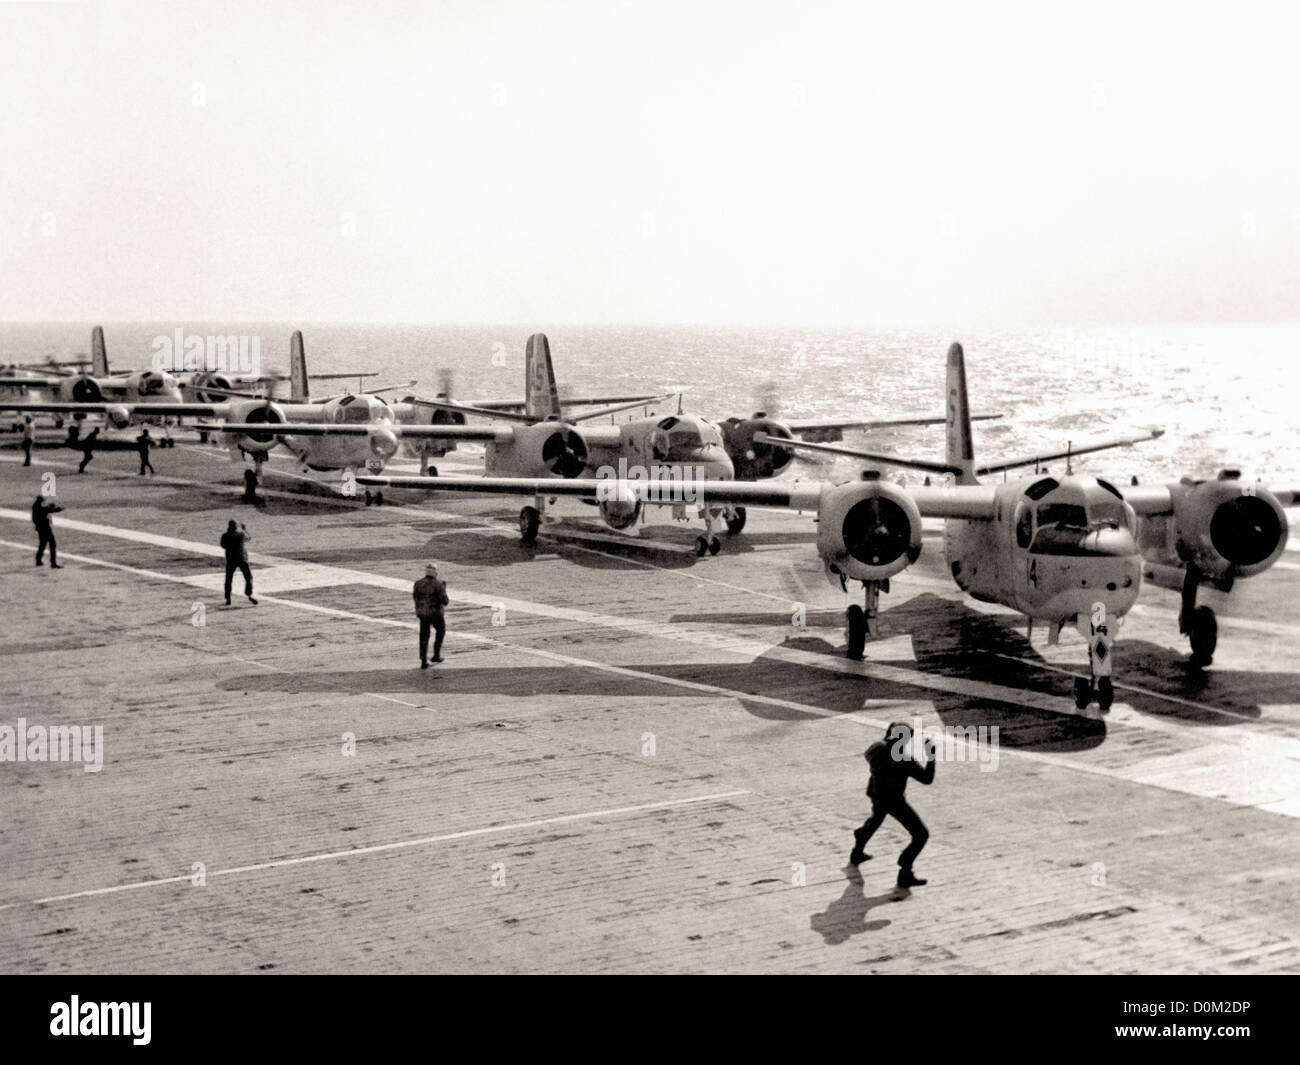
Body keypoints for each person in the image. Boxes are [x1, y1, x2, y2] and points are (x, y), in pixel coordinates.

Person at [850, 721, 935, 888]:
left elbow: (870, 756)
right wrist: (931, 756)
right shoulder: (904, 759)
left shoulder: (877, 748)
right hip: (894, 801)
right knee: (921, 834)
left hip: (875, 793)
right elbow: (927, 779)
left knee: (876, 819)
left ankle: (857, 849)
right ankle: (905, 870)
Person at [413, 563, 450, 669]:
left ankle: (424, 660)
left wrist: (419, 611)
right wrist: (444, 589)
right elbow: (445, 601)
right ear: (435, 572)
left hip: (423, 613)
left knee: (424, 635)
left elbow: (415, 598)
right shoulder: (439, 584)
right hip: (435, 613)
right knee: (441, 631)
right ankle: (436, 655)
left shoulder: (417, 584)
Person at [220, 519, 257, 606]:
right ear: (236, 527)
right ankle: (249, 594)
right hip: (242, 559)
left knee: (228, 579)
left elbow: (223, 545)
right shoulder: (241, 534)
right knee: (248, 578)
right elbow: (249, 538)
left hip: (231, 559)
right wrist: (244, 529)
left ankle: (228, 598)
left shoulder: (225, 535)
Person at [32, 494, 64, 568]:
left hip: (41, 529)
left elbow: (45, 510)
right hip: (45, 529)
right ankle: (53, 563)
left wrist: (50, 507)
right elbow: (46, 510)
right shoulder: (38, 508)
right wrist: (56, 508)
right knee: (52, 544)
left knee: (42, 545)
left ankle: (38, 560)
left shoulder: (36, 507)